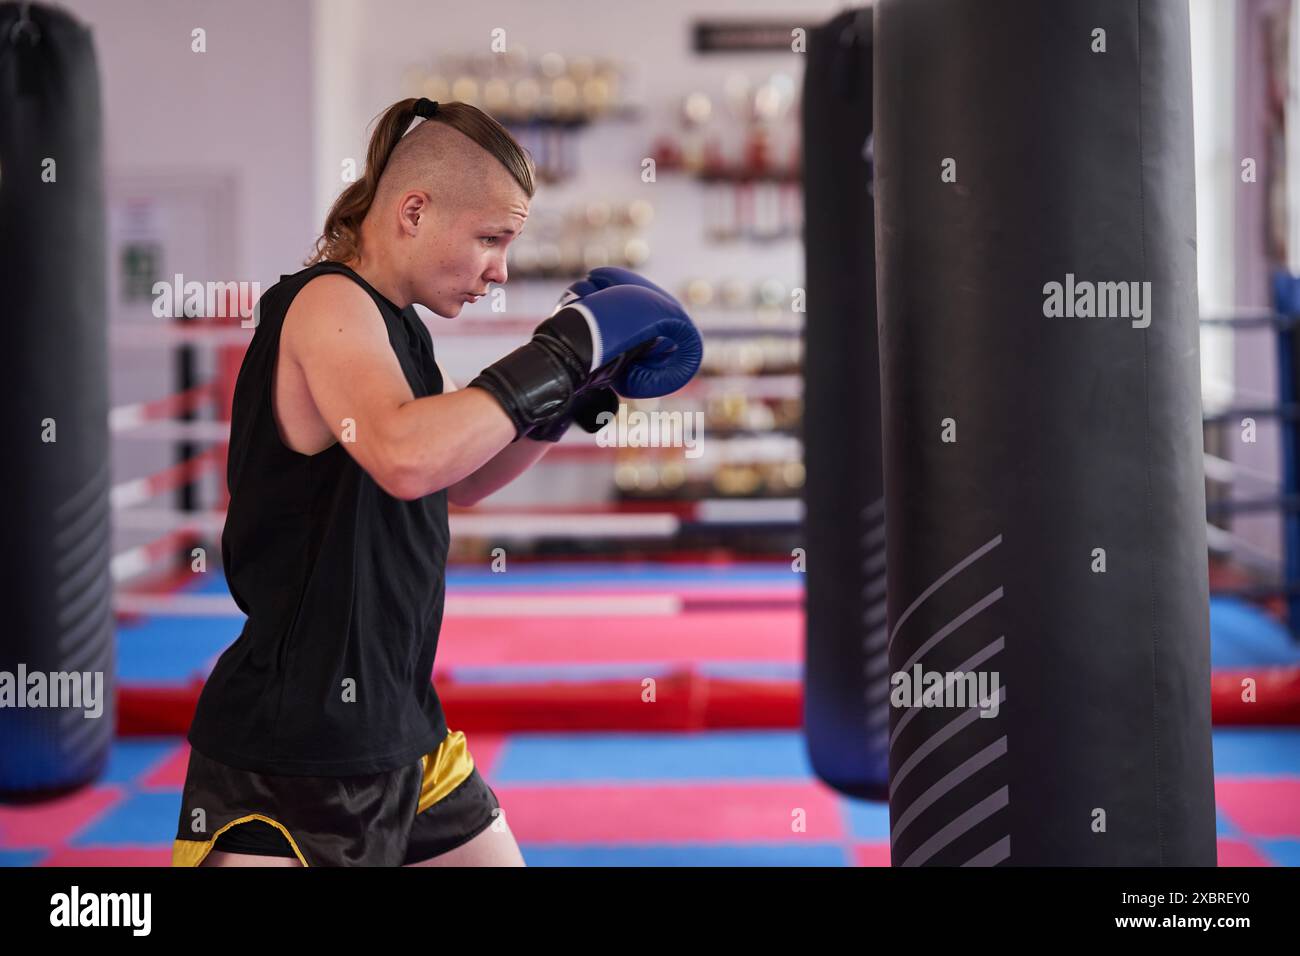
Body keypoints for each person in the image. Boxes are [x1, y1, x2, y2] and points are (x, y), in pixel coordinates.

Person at [172, 97, 701, 867]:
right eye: (491, 238)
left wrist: (574, 395)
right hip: (293, 752)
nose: (501, 268)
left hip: (402, 731)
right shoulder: (327, 302)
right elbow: (403, 454)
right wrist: (560, 350)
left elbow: (457, 476)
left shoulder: (399, 326)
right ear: (414, 210)